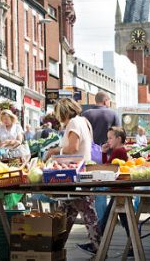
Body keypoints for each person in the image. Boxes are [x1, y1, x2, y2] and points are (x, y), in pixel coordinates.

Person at [46, 98, 100, 255]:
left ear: (63, 112)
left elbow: (72, 148)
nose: (57, 118)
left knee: (88, 213)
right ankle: (54, 249)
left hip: (76, 176)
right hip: (79, 173)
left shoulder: (74, 123)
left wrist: (54, 151)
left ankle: (99, 248)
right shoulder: (83, 121)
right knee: (65, 214)